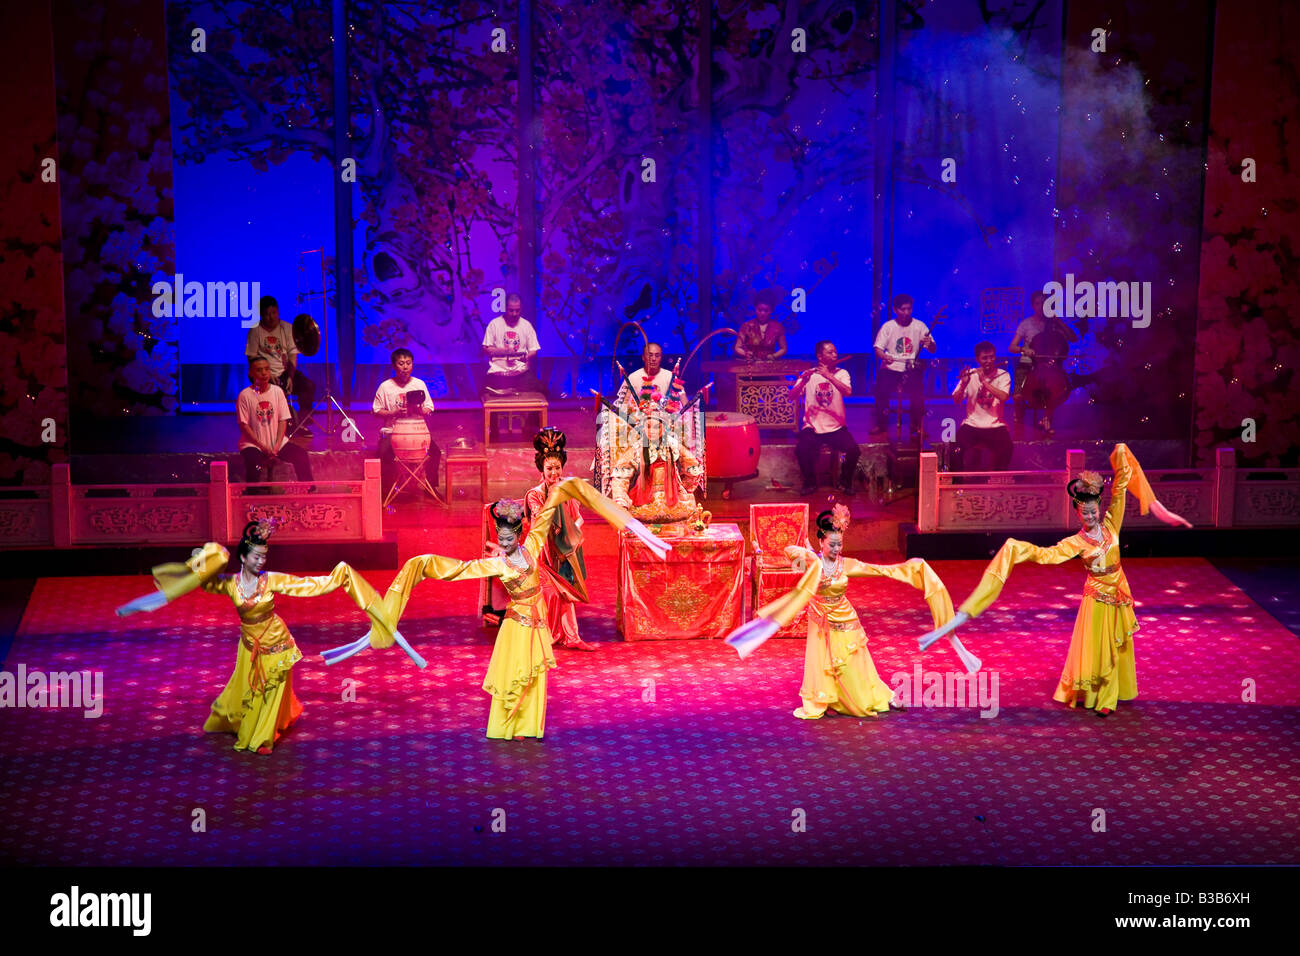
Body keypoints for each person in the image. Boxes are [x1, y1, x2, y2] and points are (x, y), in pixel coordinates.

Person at [332, 478, 668, 740]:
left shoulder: (534, 543)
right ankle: (506, 727)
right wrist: (420, 564)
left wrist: (626, 522)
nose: (505, 544)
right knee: (514, 680)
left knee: (535, 680)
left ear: (519, 534)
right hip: (516, 629)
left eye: (510, 538)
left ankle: (529, 727)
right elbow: (451, 568)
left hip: (538, 628)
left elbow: (567, 489)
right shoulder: (496, 565)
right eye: (501, 539)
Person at [917, 443, 1192, 716]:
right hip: (1096, 599)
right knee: (1098, 650)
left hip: (1119, 591)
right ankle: (1098, 696)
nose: (1091, 515)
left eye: (1094, 510)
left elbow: (1121, 480)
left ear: (1099, 507)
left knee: (1115, 646)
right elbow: (1047, 555)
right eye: (1085, 513)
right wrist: (1019, 549)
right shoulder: (1076, 542)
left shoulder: (1111, 523)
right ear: (1078, 514)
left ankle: (1110, 695)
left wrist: (1157, 508)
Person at [114, 520, 399, 754]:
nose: (261, 560)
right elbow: (203, 581)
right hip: (249, 644)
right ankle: (259, 721)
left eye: (264, 555)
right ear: (243, 557)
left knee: (271, 690)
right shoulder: (229, 585)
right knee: (250, 690)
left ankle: (263, 737)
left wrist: (338, 577)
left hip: (276, 642)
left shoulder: (271, 579)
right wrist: (215, 557)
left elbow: (307, 586)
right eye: (256, 556)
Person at [724, 504, 956, 719]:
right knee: (824, 663)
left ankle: (873, 696)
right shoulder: (813, 563)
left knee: (854, 661)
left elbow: (880, 570)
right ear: (821, 542)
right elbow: (789, 551)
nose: (836, 549)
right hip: (821, 618)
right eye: (831, 544)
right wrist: (807, 553)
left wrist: (910, 568)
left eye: (839, 544)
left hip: (845, 617)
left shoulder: (847, 564)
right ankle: (827, 699)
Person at [523, 428, 596, 651]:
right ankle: (551, 633)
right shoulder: (535, 494)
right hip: (543, 551)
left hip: (565, 548)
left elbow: (578, 519)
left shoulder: (569, 489)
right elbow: (539, 521)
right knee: (553, 592)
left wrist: (571, 533)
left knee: (566, 591)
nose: (554, 473)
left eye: (557, 468)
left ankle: (571, 636)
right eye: (549, 469)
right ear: (541, 470)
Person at [790, 340, 859, 496]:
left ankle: (845, 482)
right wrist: (802, 383)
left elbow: (847, 392)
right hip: (813, 427)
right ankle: (810, 482)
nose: (835, 355)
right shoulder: (809, 374)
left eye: (835, 352)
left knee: (854, 451)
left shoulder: (842, 373)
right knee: (801, 450)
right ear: (820, 356)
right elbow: (791, 396)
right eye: (830, 352)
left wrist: (829, 376)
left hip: (836, 427)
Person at [1009, 291, 1078, 436]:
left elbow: (1073, 338)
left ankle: (1046, 421)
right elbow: (1012, 347)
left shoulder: (1054, 324)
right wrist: (1024, 349)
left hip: (1051, 366)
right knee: (1017, 395)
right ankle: (1019, 422)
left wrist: (1058, 321)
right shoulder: (1026, 324)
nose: (1040, 306)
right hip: (1028, 364)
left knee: (1054, 390)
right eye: (1037, 303)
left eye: (1044, 303)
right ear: (1033, 306)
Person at [373, 348, 440, 495]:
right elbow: (376, 411)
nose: (405, 367)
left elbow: (429, 407)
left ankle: (431, 488)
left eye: (408, 363)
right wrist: (394, 413)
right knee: (384, 453)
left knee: (435, 452)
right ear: (394, 365)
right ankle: (386, 491)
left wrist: (419, 410)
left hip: (416, 432)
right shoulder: (385, 386)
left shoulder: (419, 384)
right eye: (401, 363)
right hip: (392, 432)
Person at [245, 296, 316, 434]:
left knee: (308, 386)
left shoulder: (287, 328)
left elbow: (292, 356)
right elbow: (251, 357)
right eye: (267, 314)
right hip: (263, 374)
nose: (271, 318)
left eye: (274, 313)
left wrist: (290, 376)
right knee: (278, 393)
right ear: (261, 315)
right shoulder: (255, 330)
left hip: (284, 373)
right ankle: (280, 427)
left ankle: (302, 423)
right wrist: (267, 375)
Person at [237, 357, 314, 482]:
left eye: (267, 369)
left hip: (277, 444)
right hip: (253, 445)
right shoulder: (245, 395)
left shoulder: (277, 392)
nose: (264, 373)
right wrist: (262, 446)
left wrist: (276, 446)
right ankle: (252, 497)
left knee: (301, 455)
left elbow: (282, 421)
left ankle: (308, 490)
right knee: (253, 463)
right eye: (259, 370)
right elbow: (244, 426)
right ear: (251, 373)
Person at [872, 293, 936, 438]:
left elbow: (933, 349)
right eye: (903, 309)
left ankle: (916, 426)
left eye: (909, 309)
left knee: (917, 394)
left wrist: (929, 344)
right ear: (895, 309)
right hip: (891, 368)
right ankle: (881, 424)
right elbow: (878, 349)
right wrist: (885, 356)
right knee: (881, 391)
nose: (906, 312)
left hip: (910, 368)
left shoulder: (919, 326)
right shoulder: (888, 326)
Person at [951, 341, 1013, 471]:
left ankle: (997, 482)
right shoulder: (971, 375)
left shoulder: (1003, 375)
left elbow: (1004, 397)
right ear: (977, 359)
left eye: (992, 357)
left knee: (1007, 447)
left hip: (995, 425)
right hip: (972, 425)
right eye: (985, 358)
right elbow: (956, 400)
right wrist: (963, 385)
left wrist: (984, 383)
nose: (989, 361)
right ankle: (957, 483)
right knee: (955, 448)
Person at [614, 342, 681, 412]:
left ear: (661, 358)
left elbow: (682, 402)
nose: (653, 359)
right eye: (650, 355)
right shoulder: (632, 377)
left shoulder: (670, 376)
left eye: (657, 356)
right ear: (643, 357)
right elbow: (623, 404)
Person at [734, 289, 787, 361]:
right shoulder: (746, 326)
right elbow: (738, 347)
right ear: (755, 308)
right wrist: (745, 353)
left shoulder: (777, 327)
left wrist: (774, 356)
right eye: (759, 310)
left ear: (771, 310)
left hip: (770, 365)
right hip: (750, 365)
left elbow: (783, 348)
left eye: (766, 310)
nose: (762, 313)